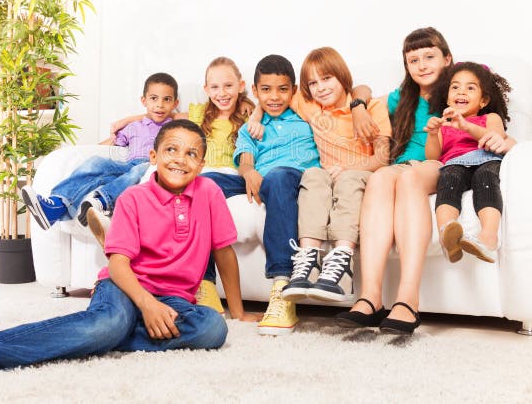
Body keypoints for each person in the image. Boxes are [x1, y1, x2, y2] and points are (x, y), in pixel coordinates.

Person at [0, 120, 256, 384]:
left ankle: (106, 332)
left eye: (191, 154)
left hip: (174, 300)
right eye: (171, 149)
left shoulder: (210, 192)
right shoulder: (133, 199)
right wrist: (146, 304)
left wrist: (238, 313)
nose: (180, 159)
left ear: (201, 164)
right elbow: (118, 266)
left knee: (213, 327)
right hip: (126, 287)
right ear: (153, 157)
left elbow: (224, 252)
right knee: (107, 324)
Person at [334, 27, 515, 335]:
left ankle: (408, 299)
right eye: (413, 60)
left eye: (429, 57)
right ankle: (371, 297)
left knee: (408, 180)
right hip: (402, 163)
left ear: (448, 59)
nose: (422, 65)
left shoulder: (457, 97)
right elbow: (361, 88)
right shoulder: (401, 98)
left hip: (436, 164)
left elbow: (488, 125)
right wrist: (359, 107)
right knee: (379, 179)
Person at [92, 57, 253, 317]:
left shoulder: (248, 114)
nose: (221, 93)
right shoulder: (201, 113)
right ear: (206, 89)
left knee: (211, 327)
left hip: (222, 174)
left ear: (241, 86)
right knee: (144, 173)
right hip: (196, 173)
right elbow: (165, 116)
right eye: (214, 87)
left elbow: (223, 249)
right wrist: (128, 120)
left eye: (228, 86)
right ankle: (121, 222)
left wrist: (252, 109)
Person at [200, 55, 320, 335]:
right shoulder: (250, 126)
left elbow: (356, 91)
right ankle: (204, 285)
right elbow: (243, 159)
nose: (274, 97)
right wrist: (249, 171)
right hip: (257, 177)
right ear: (254, 91)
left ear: (294, 90)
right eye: (266, 90)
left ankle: (282, 287)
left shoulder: (306, 113)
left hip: (291, 177)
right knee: (203, 184)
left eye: (282, 89)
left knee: (278, 176)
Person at [278, 47, 392, 305]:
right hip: (328, 177)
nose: (320, 88)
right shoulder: (311, 106)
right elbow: (272, 96)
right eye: (313, 83)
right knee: (313, 174)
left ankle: (343, 265)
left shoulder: (371, 108)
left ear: (341, 76)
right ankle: (309, 261)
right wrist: (256, 114)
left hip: (362, 174)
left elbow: (382, 159)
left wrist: (358, 106)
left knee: (349, 181)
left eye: (327, 78)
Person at [20, 73, 179, 231]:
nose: (160, 105)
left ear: (175, 103)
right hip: (128, 165)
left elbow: (185, 120)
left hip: (152, 167)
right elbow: (111, 144)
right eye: (154, 98)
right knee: (96, 163)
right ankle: (56, 205)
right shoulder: (133, 127)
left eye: (167, 99)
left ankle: (102, 202)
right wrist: (88, 151)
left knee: (138, 171)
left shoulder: (176, 127)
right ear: (143, 101)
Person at [425, 62, 511, 264]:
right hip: (454, 163)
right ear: (447, 97)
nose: (461, 91)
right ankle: (448, 233)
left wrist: (465, 126)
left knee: (485, 178)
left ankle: (489, 238)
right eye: (455, 87)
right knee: (448, 179)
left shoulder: (490, 117)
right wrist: (431, 134)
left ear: (483, 100)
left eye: (470, 88)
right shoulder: (443, 124)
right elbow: (432, 156)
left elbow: (495, 137)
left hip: (486, 159)